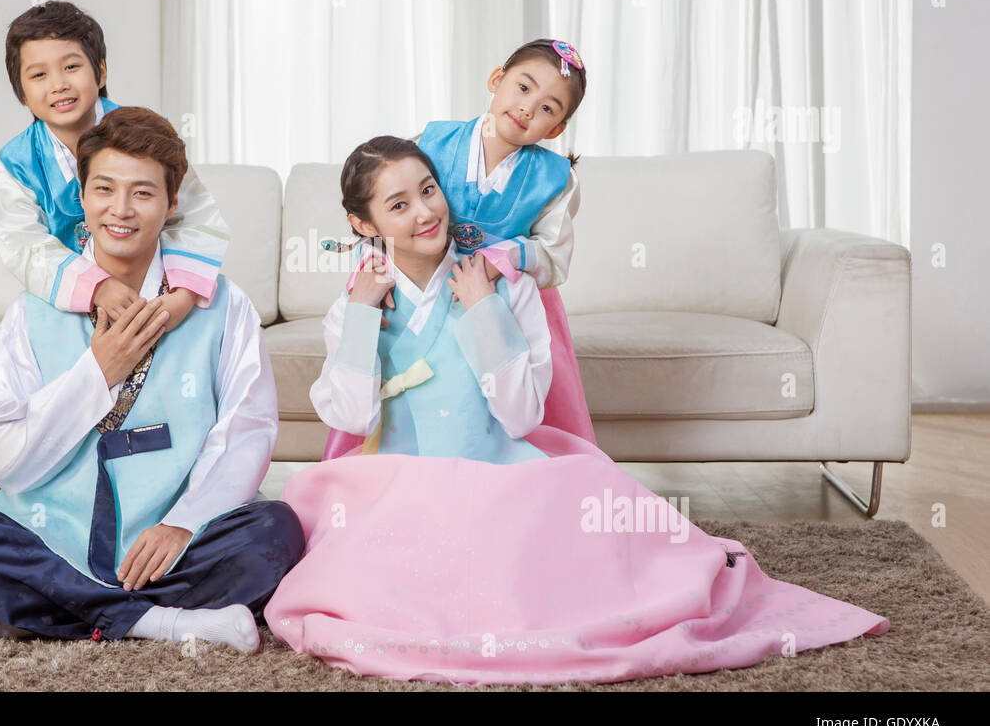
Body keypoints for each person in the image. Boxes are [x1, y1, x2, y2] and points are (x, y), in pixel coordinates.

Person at [265, 136, 890, 685]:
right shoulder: (354, 306)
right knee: (369, 591)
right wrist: (362, 318)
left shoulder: (506, 284)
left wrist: (484, 310)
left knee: (547, 574)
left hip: (499, 474)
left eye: (428, 190)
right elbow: (349, 415)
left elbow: (518, 416)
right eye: (398, 205)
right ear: (362, 224)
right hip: (400, 485)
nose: (426, 211)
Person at [0, 107, 303, 652]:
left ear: (172, 203)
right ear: (81, 195)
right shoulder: (31, 311)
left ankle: (41, 610)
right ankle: (169, 623)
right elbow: (4, 457)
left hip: (174, 543)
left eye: (143, 193)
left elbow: (246, 429)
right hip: (50, 532)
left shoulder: (222, 305)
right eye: (104, 188)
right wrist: (98, 374)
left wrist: (182, 522)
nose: (121, 210)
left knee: (277, 532)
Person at [323, 38, 594, 458]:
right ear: (496, 79)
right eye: (523, 88)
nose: (528, 109)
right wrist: (372, 263)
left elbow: (554, 255)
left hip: (504, 289)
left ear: (556, 129)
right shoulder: (433, 141)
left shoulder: (555, 179)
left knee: (521, 408)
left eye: (547, 108)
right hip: (424, 277)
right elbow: (383, 202)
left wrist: (504, 258)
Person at [0, 0, 229, 332]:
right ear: (21, 93)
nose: (58, 84)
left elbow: (195, 214)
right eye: (39, 74)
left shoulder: (147, 135)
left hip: (155, 294)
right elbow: (21, 246)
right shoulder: (19, 164)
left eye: (71, 67)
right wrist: (96, 287)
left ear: (100, 71)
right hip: (70, 304)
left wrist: (185, 294)